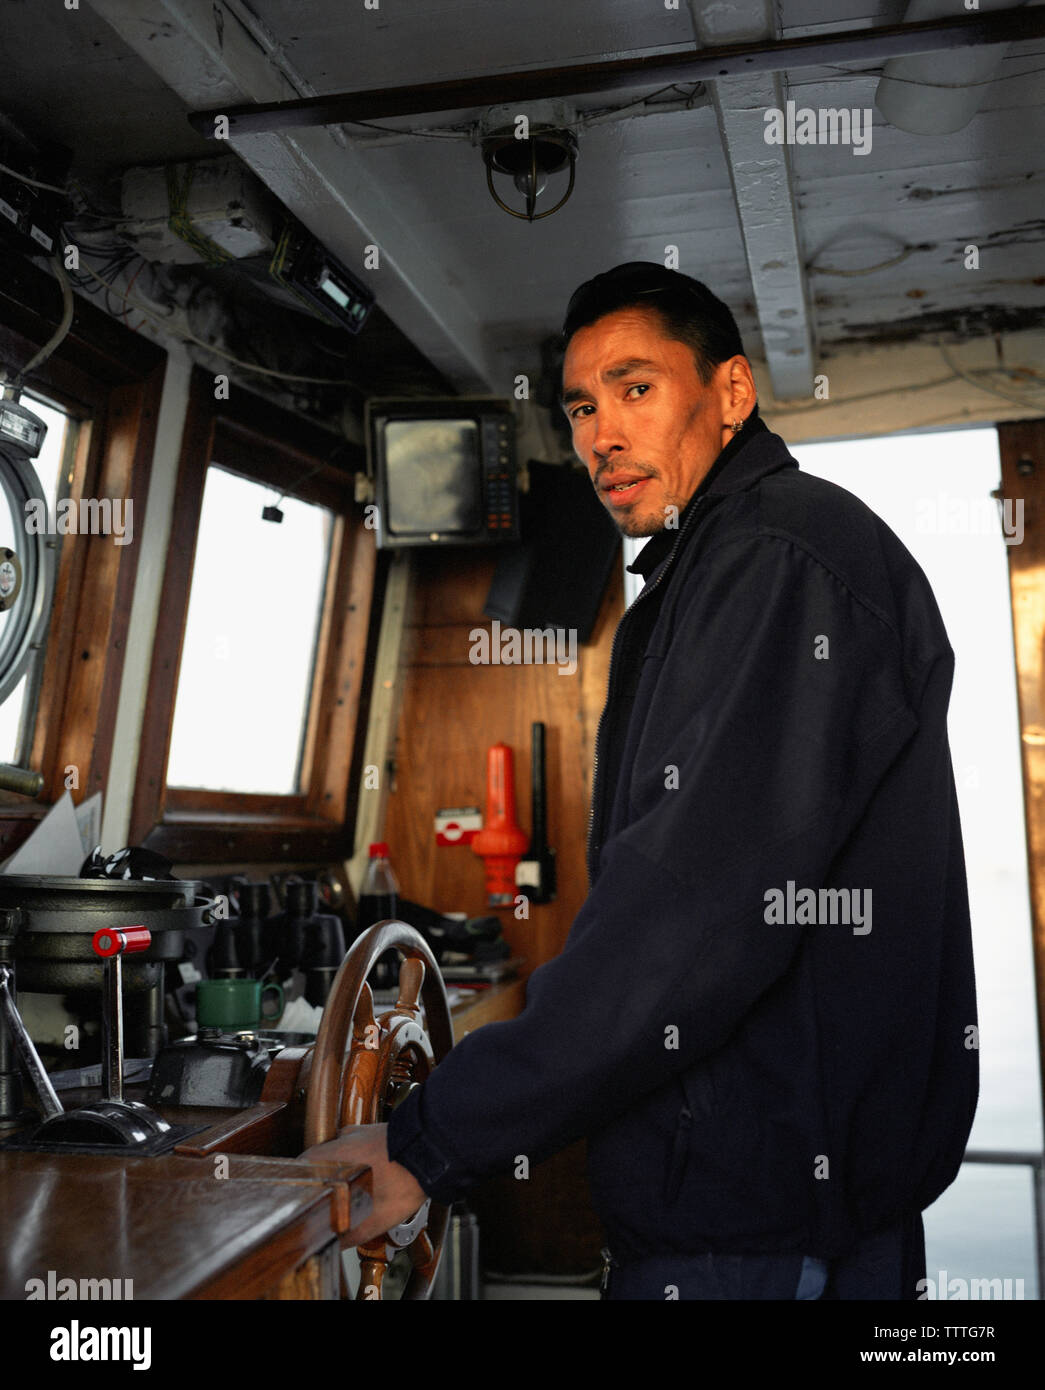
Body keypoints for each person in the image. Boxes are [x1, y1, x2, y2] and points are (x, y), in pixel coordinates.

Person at [304, 262, 979, 1300]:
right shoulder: (724, 565)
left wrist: (427, 1139)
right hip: (777, 1215)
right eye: (580, 406)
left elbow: (687, 920)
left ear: (731, 394)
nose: (600, 435)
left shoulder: (775, 561)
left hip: (756, 1233)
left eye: (636, 388)